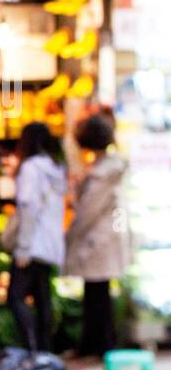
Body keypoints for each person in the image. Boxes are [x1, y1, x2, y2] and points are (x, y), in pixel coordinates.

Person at [65, 112, 131, 357]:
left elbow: (87, 211)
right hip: (106, 239)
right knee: (97, 293)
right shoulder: (109, 168)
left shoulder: (103, 173)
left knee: (97, 295)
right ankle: (97, 345)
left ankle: (100, 346)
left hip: (98, 240)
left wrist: (70, 235)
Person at [6, 121, 67, 352]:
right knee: (42, 298)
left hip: (32, 243)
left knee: (16, 298)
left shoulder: (31, 169)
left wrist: (23, 248)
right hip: (50, 243)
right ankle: (44, 351)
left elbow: (28, 208)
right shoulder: (56, 168)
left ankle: (32, 349)